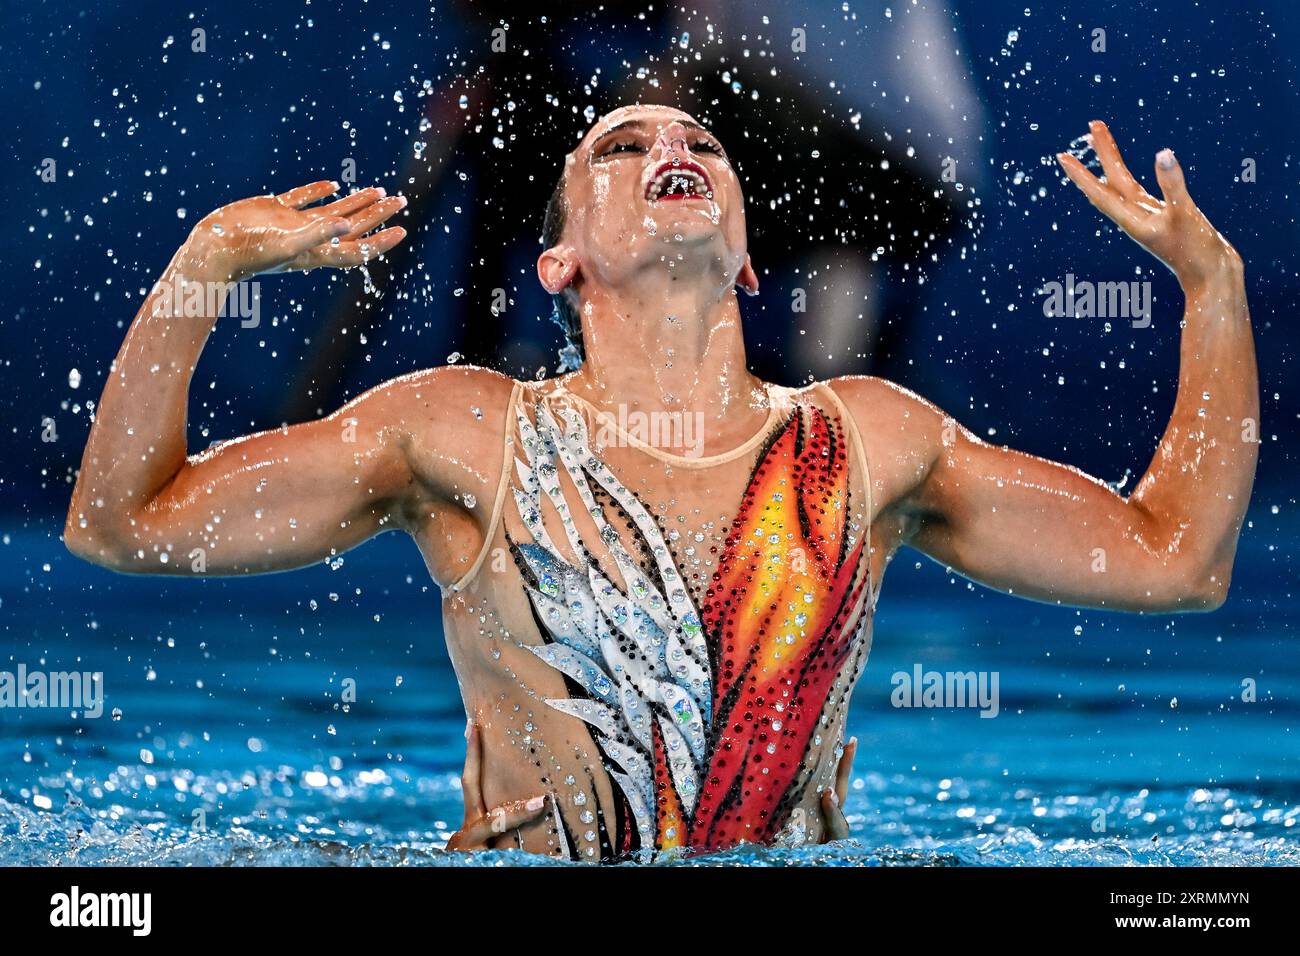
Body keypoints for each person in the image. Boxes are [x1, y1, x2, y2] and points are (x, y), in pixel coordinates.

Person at [65, 105, 1257, 861]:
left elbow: (1176, 559)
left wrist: (1215, 295)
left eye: (700, 144)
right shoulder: (460, 430)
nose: (670, 152)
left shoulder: (873, 442)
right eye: (620, 149)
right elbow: (124, 523)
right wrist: (202, 266)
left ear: (745, 256)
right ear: (559, 260)